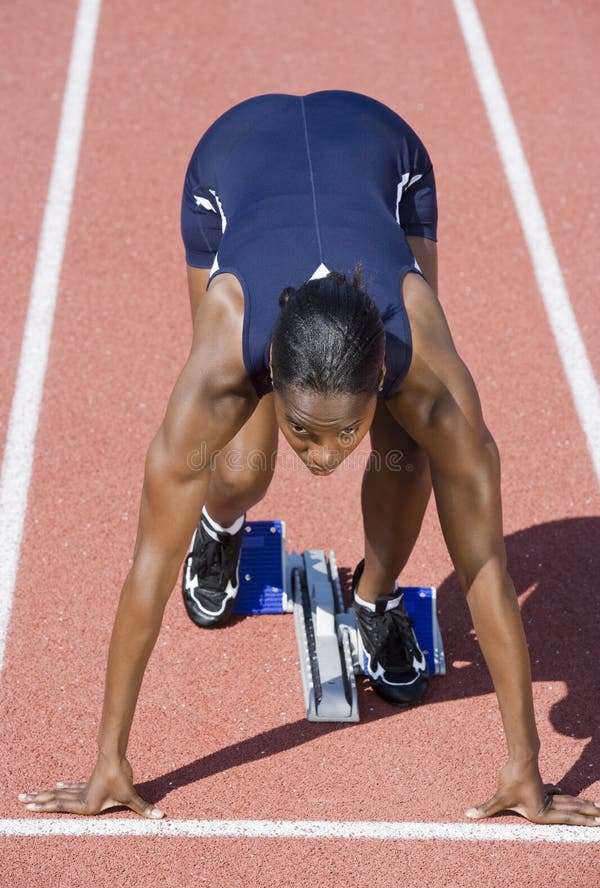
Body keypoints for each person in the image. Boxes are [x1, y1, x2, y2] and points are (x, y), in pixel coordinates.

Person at [18, 91, 599, 825]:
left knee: (411, 454)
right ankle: (222, 528)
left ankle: (376, 598)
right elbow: (147, 570)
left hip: (385, 155)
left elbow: (486, 566)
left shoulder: (430, 382)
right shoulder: (225, 364)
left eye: (344, 431)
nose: (323, 459)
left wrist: (528, 769)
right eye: (303, 429)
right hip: (232, 161)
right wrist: (110, 760)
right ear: (267, 379)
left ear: (380, 378)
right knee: (237, 468)